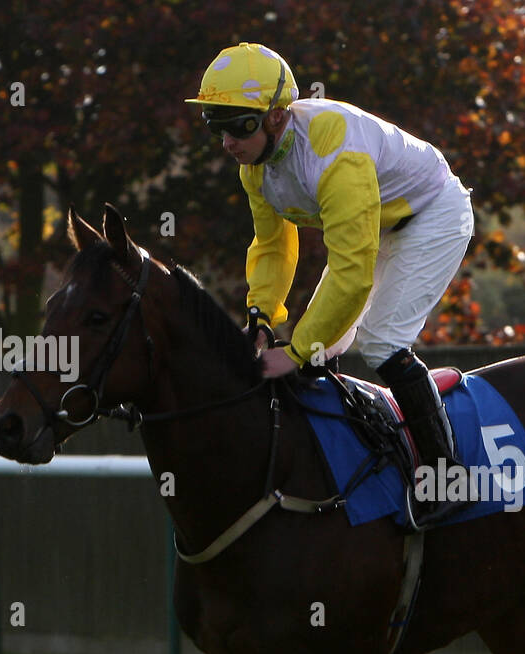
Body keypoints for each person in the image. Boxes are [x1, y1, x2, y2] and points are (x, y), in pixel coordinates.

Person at [186, 42, 474, 525]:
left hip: (433, 215)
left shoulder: (334, 152)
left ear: (277, 118)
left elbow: (353, 271)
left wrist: (295, 351)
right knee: (325, 344)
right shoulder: (254, 167)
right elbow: (274, 245)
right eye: (215, 123)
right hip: (380, 223)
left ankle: (449, 477)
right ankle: (342, 461)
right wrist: (261, 316)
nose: (228, 140)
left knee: (380, 342)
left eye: (239, 125)